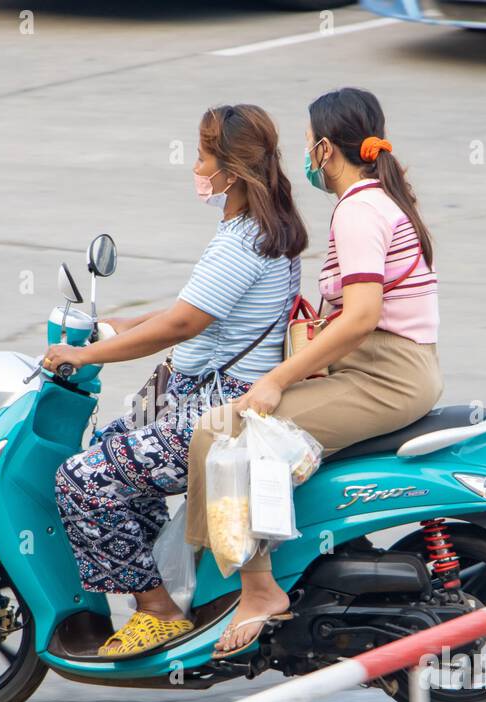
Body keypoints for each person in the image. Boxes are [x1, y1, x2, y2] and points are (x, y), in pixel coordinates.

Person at [184, 87, 444, 659]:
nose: (304, 157)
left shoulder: (358, 210)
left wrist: (276, 379)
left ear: (325, 149)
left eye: (308, 144)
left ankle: (258, 590)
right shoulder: (379, 199)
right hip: (389, 369)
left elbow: (362, 317)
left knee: (222, 433)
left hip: (383, 376)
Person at [44, 104, 306, 657]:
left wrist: (84, 355)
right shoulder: (257, 227)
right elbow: (197, 310)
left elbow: (184, 325)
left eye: (203, 157)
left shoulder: (243, 241)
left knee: (81, 480)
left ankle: (159, 611)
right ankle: (171, 580)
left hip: (220, 408)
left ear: (231, 171)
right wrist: (122, 325)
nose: (196, 167)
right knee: (108, 447)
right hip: (200, 393)